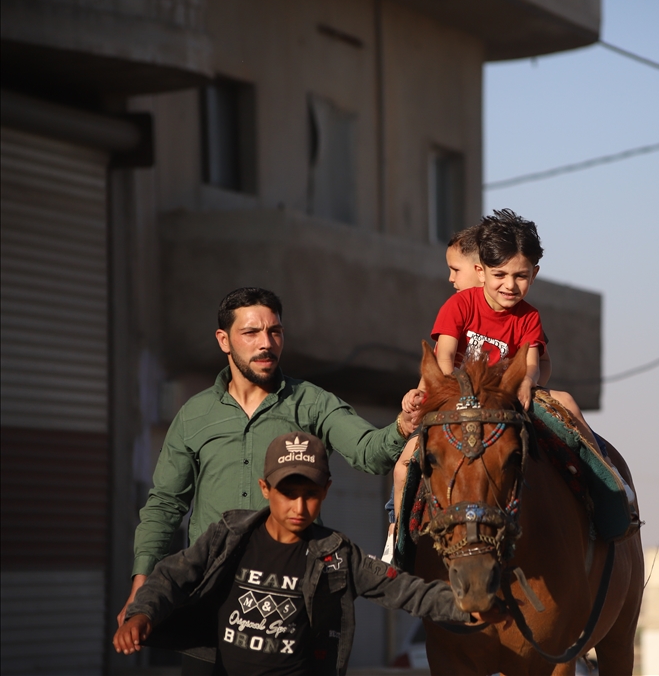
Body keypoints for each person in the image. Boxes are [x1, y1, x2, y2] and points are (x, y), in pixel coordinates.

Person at [119, 287, 421, 672]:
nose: (267, 344)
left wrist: (400, 425)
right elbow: (164, 505)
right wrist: (142, 585)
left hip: (292, 604)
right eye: (252, 333)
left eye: (275, 331)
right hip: (210, 603)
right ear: (223, 340)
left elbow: (368, 451)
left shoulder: (311, 402)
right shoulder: (194, 415)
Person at [114, 432, 497, 675]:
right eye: (287, 493)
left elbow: (404, 590)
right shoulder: (228, 536)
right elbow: (171, 575)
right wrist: (142, 613)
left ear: (326, 490)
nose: (298, 506)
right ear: (265, 488)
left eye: (310, 494)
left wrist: (464, 604)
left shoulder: (337, 555)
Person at [389, 211, 612, 543]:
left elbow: (532, 363)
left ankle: (605, 484)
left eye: (521, 276)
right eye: (500, 274)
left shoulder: (528, 316)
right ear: (481, 272)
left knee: (567, 403)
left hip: (508, 395)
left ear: (534, 274)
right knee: (404, 463)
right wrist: (448, 392)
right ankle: (399, 535)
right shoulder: (459, 305)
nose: (510, 285)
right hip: (460, 397)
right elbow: (445, 355)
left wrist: (524, 381)